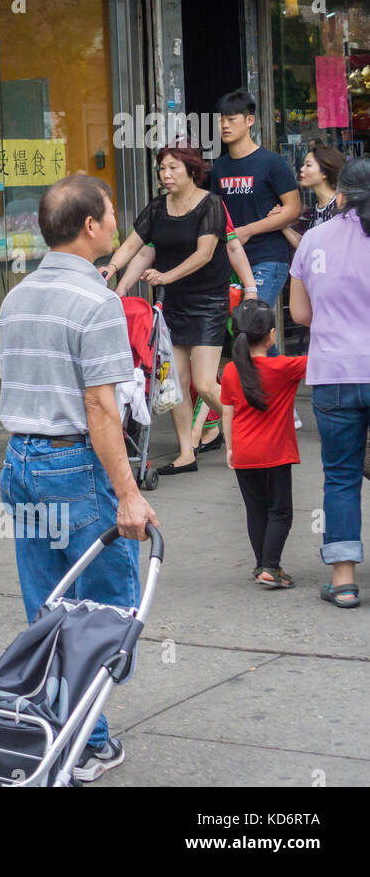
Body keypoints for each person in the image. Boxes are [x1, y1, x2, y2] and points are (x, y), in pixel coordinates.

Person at [0, 173, 159, 783]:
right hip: (73, 467)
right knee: (105, 611)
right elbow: (101, 409)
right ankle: (86, 741)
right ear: (91, 226)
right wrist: (129, 494)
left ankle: (52, 726)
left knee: (47, 608)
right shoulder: (98, 301)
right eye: (111, 213)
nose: (116, 221)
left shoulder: (17, 296)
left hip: (22, 462)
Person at [106, 145, 234, 475]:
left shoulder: (211, 205)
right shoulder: (158, 209)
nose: (166, 175)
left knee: (205, 384)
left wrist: (166, 276)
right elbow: (137, 247)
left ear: (192, 170)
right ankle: (186, 453)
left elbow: (205, 254)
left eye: (173, 168)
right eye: (162, 169)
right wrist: (113, 272)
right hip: (171, 307)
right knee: (171, 384)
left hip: (208, 302)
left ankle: (246, 430)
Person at [289, 157, 370, 610]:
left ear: (340, 193)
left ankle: (343, 581)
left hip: (334, 374)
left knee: (340, 477)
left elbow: (300, 315)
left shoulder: (314, 240)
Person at [220, 300, 307, 591]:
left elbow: (227, 412)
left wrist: (230, 448)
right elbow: (321, 358)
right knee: (280, 512)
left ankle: (262, 564)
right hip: (275, 454)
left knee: (256, 511)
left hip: (243, 453)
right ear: (271, 335)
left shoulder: (232, 371)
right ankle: (270, 567)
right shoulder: (284, 367)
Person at [210, 89, 301, 352]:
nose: (224, 125)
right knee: (248, 330)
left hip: (268, 258)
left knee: (250, 324)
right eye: (221, 120)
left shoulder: (272, 163)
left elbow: (292, 209)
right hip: (234, 262)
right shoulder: (220, 167)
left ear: (250, 121)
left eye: (231, 119)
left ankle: (273, 385)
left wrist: (249, 230)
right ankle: (274, 382)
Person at [277, 143, 346, 251]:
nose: (302, 169)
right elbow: (308, 247)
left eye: (308, 165)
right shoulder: (318, 207)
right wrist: (281, 223)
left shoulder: (340, 206)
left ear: (324, 173)